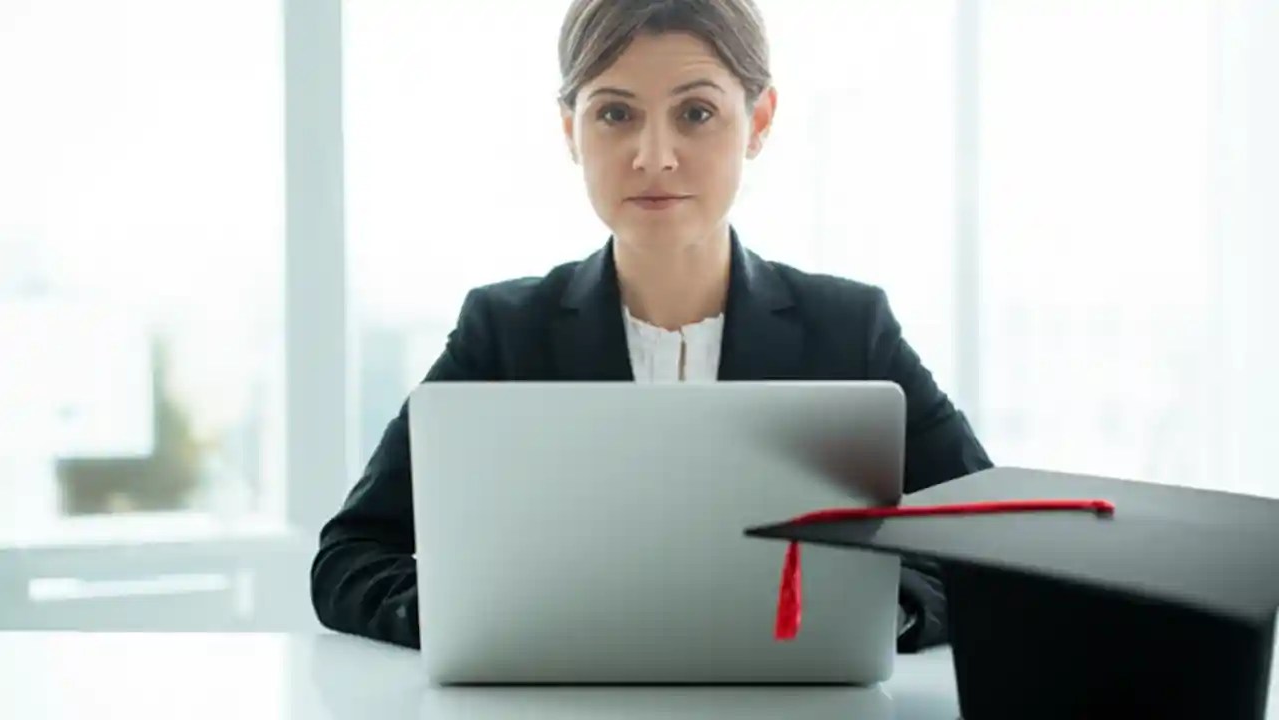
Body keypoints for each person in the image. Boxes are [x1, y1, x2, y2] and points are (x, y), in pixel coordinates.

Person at [310, 0, 992, 654]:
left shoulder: (851, 330)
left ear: (759, 120)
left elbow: (997, 548)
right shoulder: (502, 333)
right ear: (569, 129)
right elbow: (349, 558)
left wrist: (869, 612)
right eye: (615, 113)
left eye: (696, 113)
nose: (655, 156)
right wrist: (483, 618)